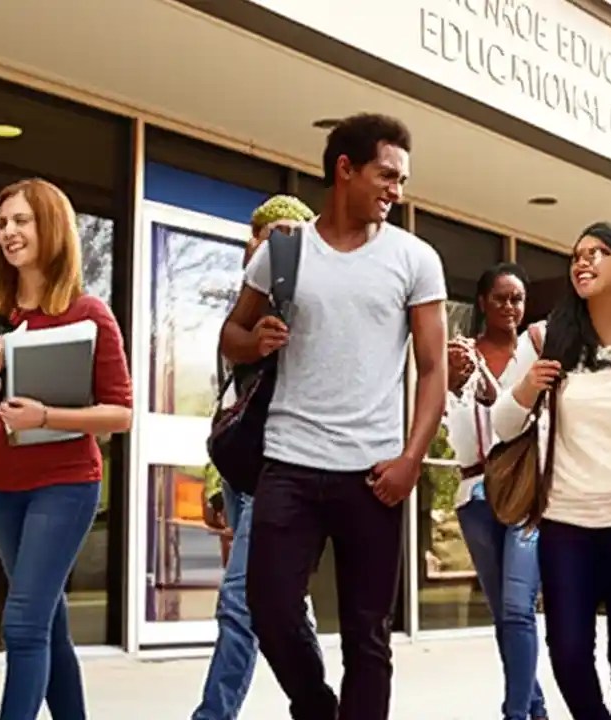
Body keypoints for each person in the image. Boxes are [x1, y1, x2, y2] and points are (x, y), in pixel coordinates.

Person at [219, 113, 447, 720]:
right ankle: (318, 708)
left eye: (402, 179)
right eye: (387, 175)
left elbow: (432, 369)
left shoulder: (415, 258)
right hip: (289, 463)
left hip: (373, 474)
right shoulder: (285, 250)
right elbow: (230, 335)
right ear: (345, 170)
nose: (397, 189)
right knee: (268, 609)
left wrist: (410, 461)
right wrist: (256, 339)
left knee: (367, 638)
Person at [0, 178, 133, 720]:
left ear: (50, 226)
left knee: (23, 623)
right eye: (2, 223)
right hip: (2, 488)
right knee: (49, 625)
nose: (9, 232)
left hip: (66, 483)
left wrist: (46, 416)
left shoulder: (89, 312)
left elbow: (119, 412)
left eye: (21, 220)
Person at [491, 222, 611, 720]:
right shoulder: (546, 337)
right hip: (567, 520)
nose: (583, 262)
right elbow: (502, 424)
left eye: (598, 252)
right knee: (566, 652)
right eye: (577, 255)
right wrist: (527, 388)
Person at [194, 193, 315, 720]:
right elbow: (226, 402)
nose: (277, 246)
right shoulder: (238, 320)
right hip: (240, 476)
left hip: (285, 473)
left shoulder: (310, 310)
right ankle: (318, 705)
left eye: (292, 236)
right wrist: (211, 480)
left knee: (239, 602)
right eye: (270, 235)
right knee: (285, 608)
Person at [445, 263, 548, 720]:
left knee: (518, 606)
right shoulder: (462, 354)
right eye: (502, 298)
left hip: (528, 492)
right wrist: (453, 378)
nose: (510, 307)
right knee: (505, 616)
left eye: (518, 299)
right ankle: (535, 709)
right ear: (483, 302)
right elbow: (457, 424)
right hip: (477, 494)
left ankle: (515, 713)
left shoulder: (536, 348)